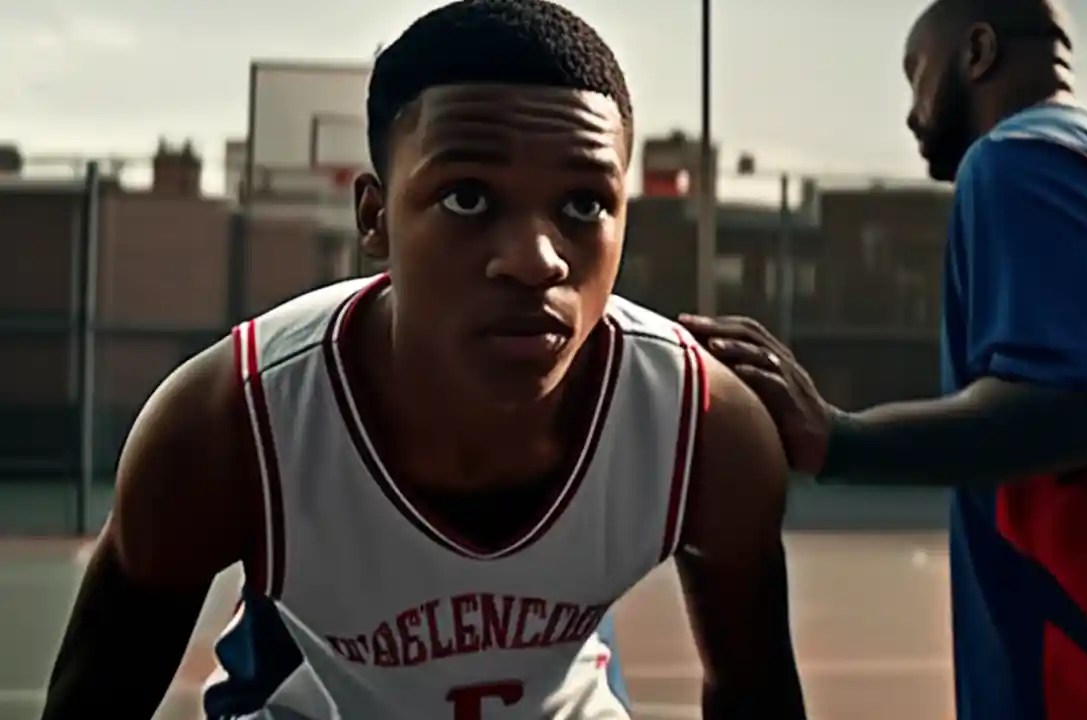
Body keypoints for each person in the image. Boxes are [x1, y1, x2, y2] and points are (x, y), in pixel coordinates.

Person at [40, 2, 807, 719]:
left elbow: (755, 692)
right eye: (468, 199)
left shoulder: (703, 426)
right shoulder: (232, 424)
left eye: (584, 205)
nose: (536, 259)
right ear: (374, 218)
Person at [682, 0, 1087, 717]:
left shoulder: (1021, 157)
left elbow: (1077, 411)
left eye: (917, 75)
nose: (910, 113)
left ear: (978, 51)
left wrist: (840, 438)